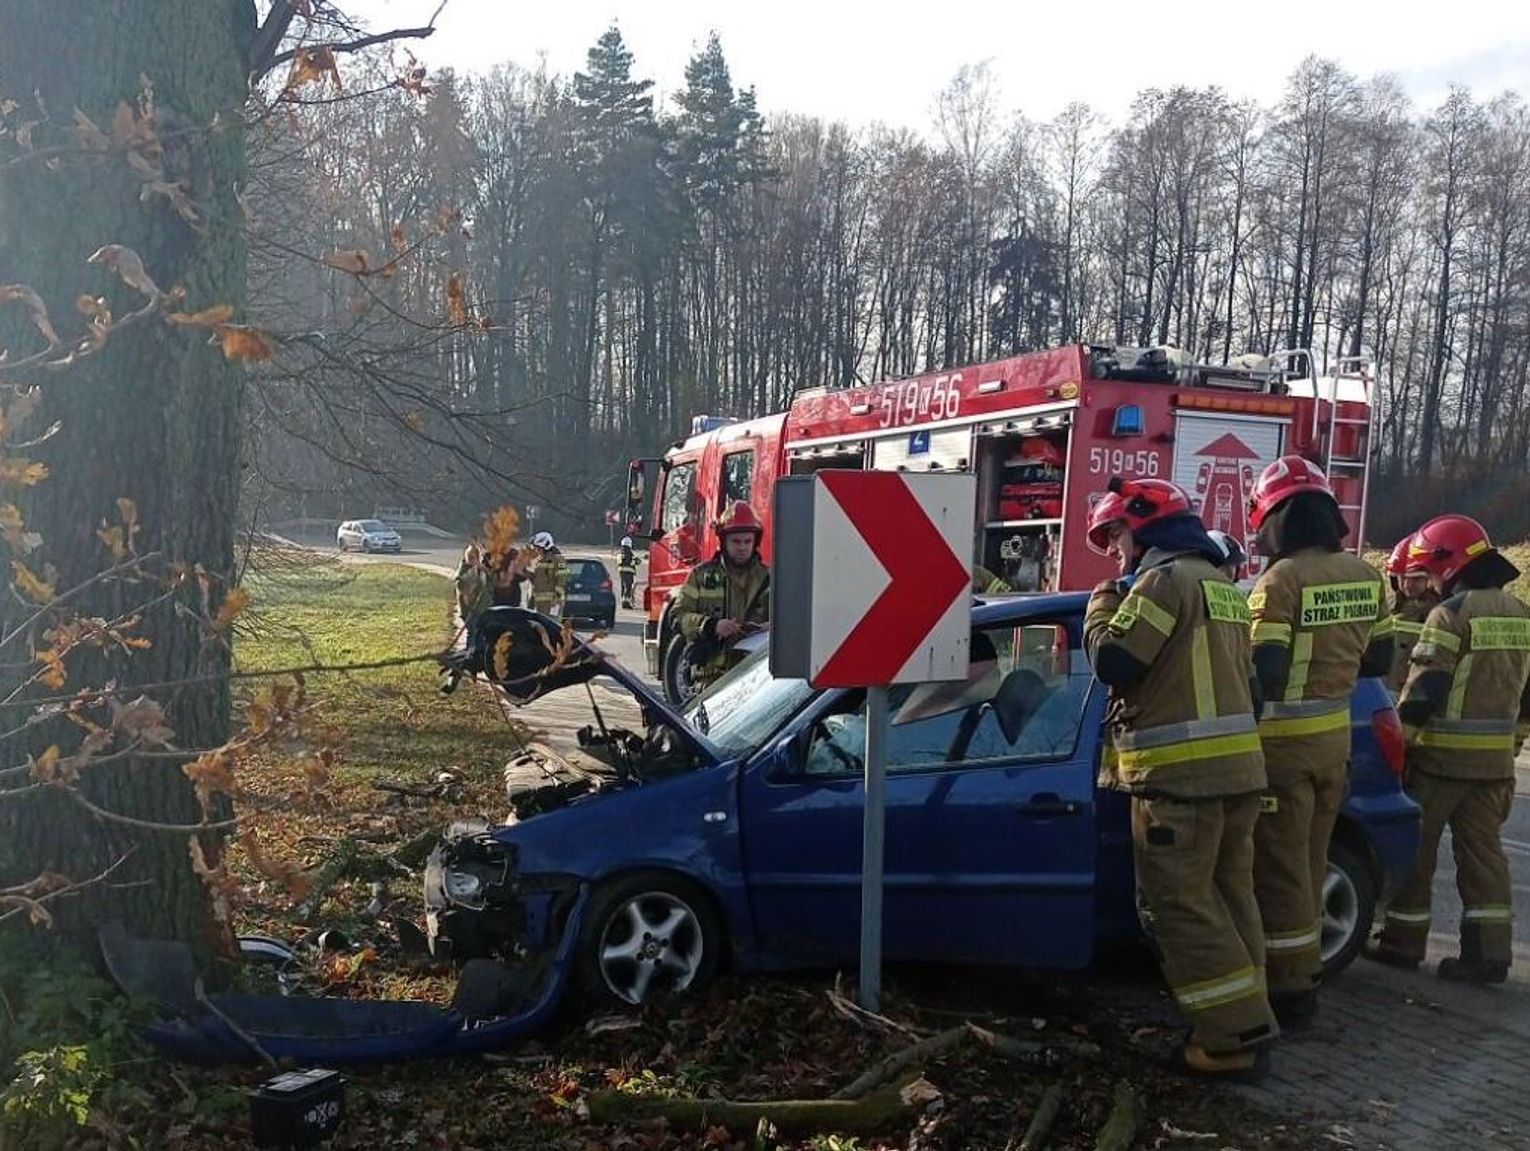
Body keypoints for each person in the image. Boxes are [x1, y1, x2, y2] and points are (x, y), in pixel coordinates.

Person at [1084, 477, 1277, 1081]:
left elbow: (1115, 660)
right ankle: (1252, 1019)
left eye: (1114, 537)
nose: (1113, 554)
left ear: (1141, 526)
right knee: (1229, 898)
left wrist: (1099, 603)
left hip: (1179, 784)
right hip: (1237, 774)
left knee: (1181, 908)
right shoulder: (1220, 585)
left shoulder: (1163, 582)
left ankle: (1230, 1041)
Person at [1244, 456, 1392, 1028]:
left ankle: (1290, 993)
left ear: (1274, 518)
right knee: (1310, 864)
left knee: (1279, 872)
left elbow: (1267, 672)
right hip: (1335, 747)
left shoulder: (1281, 582)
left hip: (1280, 751)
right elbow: (1378, 658)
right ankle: (1303, 976)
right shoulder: (1365, 575)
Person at [1366, 516, 1530, 984]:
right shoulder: (1521, 614)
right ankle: (1490, 955)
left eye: (1430, 571)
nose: (1430, 584)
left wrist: (1399, 748)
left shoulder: (1451, 615)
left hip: (1439, 763)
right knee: (1485, 858)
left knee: (1417, 853)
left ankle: (1402, 943)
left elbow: (1426, 688)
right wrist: (1512, 743)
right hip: (1495, 764)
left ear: (1449, 562)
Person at [674, 500, 770, 691]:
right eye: (736, 541)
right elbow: (678, 617)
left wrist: (774, 629)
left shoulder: (771, 579)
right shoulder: (701, 576)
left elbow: (793, 624)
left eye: (747, 541)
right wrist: (710, 625)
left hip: (756, 682)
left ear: (755, 542)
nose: (742, 547)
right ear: (723, 541)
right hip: (709, 681)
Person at [1384, 538, 1439, 695]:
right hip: (1388, 692)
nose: (1408, 584)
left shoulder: (1440, 613)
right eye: (1404, 578)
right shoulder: (1387, 608)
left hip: (1417, 695)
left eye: (1416, 578)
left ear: (1431, 578)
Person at [527, 531, 569, 617]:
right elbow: (538, 583)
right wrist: (532, 600)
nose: (537, 550)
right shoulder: (540, 562)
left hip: (553, 604)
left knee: (552, 627)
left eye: (538, 548)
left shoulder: (558, 559)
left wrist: (557, 598)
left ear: (545, 546)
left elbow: (562, 579)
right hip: (540, 605)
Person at [454, 544, 491, 633]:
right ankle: (471, 646)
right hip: (469, 609)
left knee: (481, 632)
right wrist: (474, 571)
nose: (471, 559)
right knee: (472, 631)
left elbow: (489, 584)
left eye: (474, 557)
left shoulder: (483, 570)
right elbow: (460, 584)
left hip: (483, 607)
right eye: (469, 556)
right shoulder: (464, 570)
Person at [618, 535, 639, 609]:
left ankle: (623, 601)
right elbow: (634, 561)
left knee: (623, 587)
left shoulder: (621, 553)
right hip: (629, 572)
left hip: (621, 572)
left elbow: (619, 562)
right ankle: (626, 603)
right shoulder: (630, 553)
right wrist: (636, 561)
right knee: (628, 587)